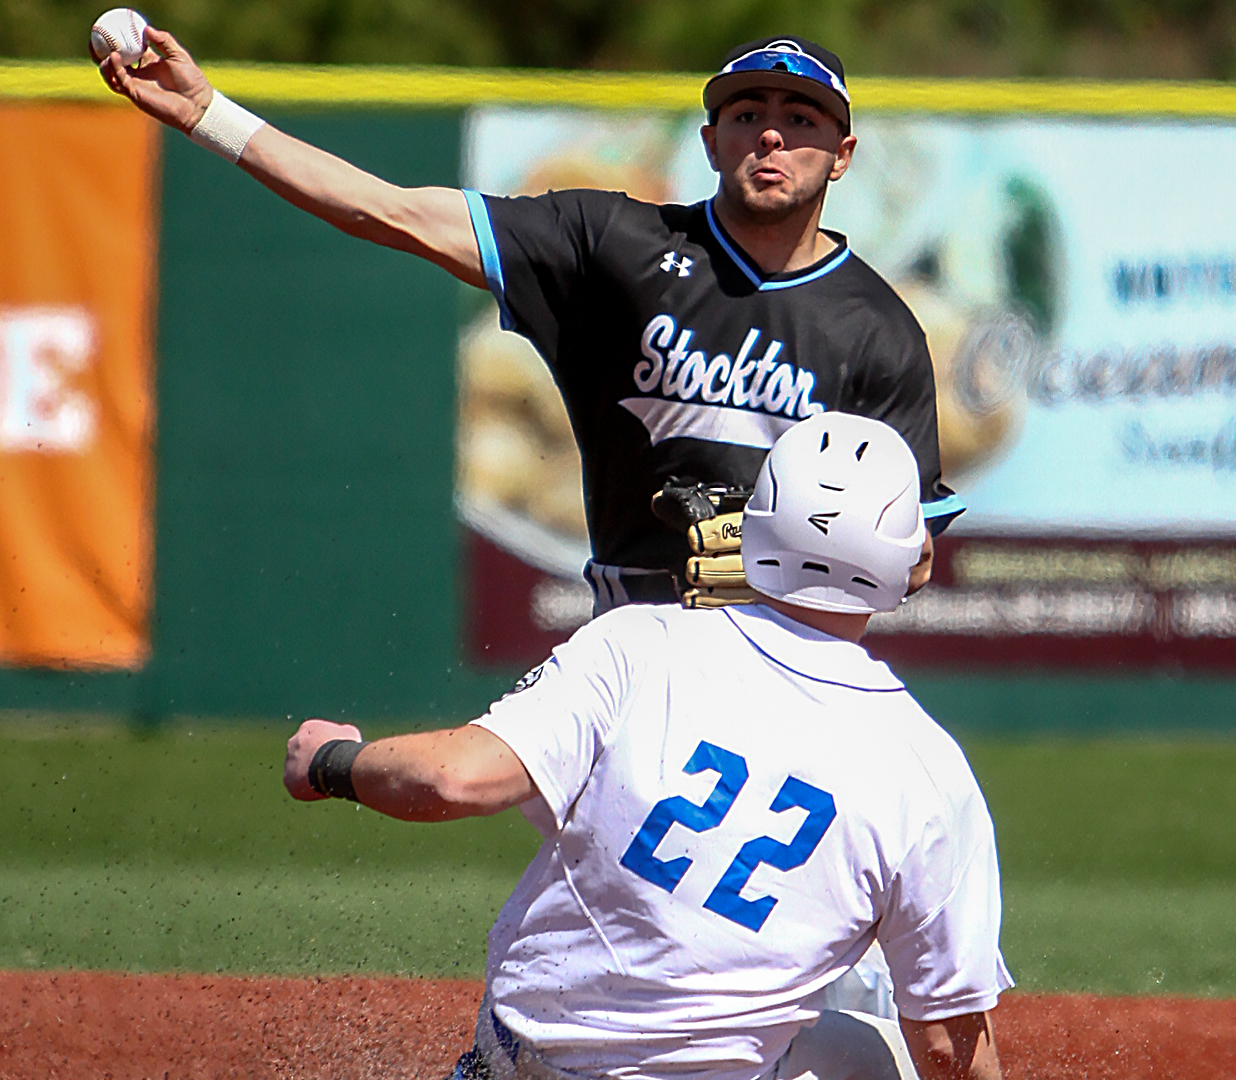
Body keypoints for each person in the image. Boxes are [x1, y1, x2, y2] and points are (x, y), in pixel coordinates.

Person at [98, 32, 965, 612]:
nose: (770, 138)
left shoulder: (881, 329)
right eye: (747, 116)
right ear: (709, 143)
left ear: (843, 154)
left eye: (800, 119)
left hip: (795, 655)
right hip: (634, 640)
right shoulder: (614, 245)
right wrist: (210, 114)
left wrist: (785, 544)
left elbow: (914, 557)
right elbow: (387, 210)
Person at [284, 412, 1008, 1080]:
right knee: (878, 1036)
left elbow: (452, 780)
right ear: (915, 553)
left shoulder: (635, 644)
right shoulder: (930, 770)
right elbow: (951, 1047)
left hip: (518, 1061)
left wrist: (331, 761)